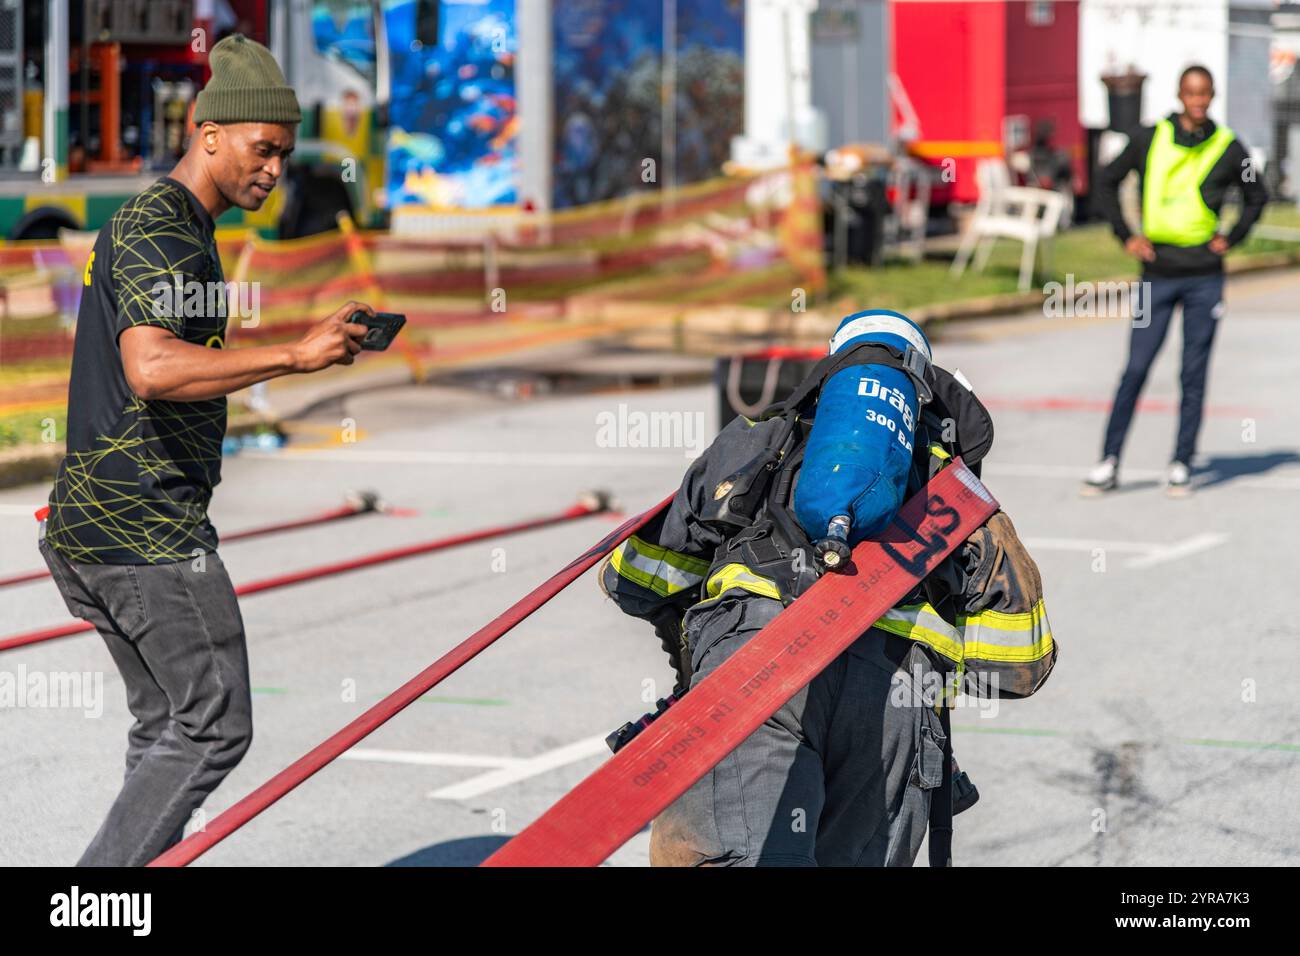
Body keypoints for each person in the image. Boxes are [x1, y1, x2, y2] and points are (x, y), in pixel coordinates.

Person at [38, 34, 375, 866]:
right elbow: (151, 369)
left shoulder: (179, 226)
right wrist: (294, 356)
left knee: (166, 729)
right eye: (263, 149)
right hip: (142, 531)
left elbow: (169, 356)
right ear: (210, 132)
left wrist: (289, 347)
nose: (273, 169)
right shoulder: (162, 228)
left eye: (285, 155)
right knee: (216, 724)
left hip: (96, 530)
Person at [599, 310, 1057, 866]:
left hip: (757, 664)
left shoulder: (761, 439)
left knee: (740, 857)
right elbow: (1016, 666)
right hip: (891, 696)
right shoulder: (956, 495)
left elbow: (635, 579)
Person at [1085, 64, 1267, 497]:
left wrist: (1233, 236)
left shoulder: (1228, 147)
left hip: (1205, 277)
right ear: (1180, 94)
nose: (1198, 101)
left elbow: (1256, 194)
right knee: (1135, 369)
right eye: (1191, 93)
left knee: (1193, 372)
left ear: (1213, 95)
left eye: (1205, 93)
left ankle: (1182, 461)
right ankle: (1108, 461)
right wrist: (1126, 235)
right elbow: (1107, 181)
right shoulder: (1150, 138)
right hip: (1157, 274)